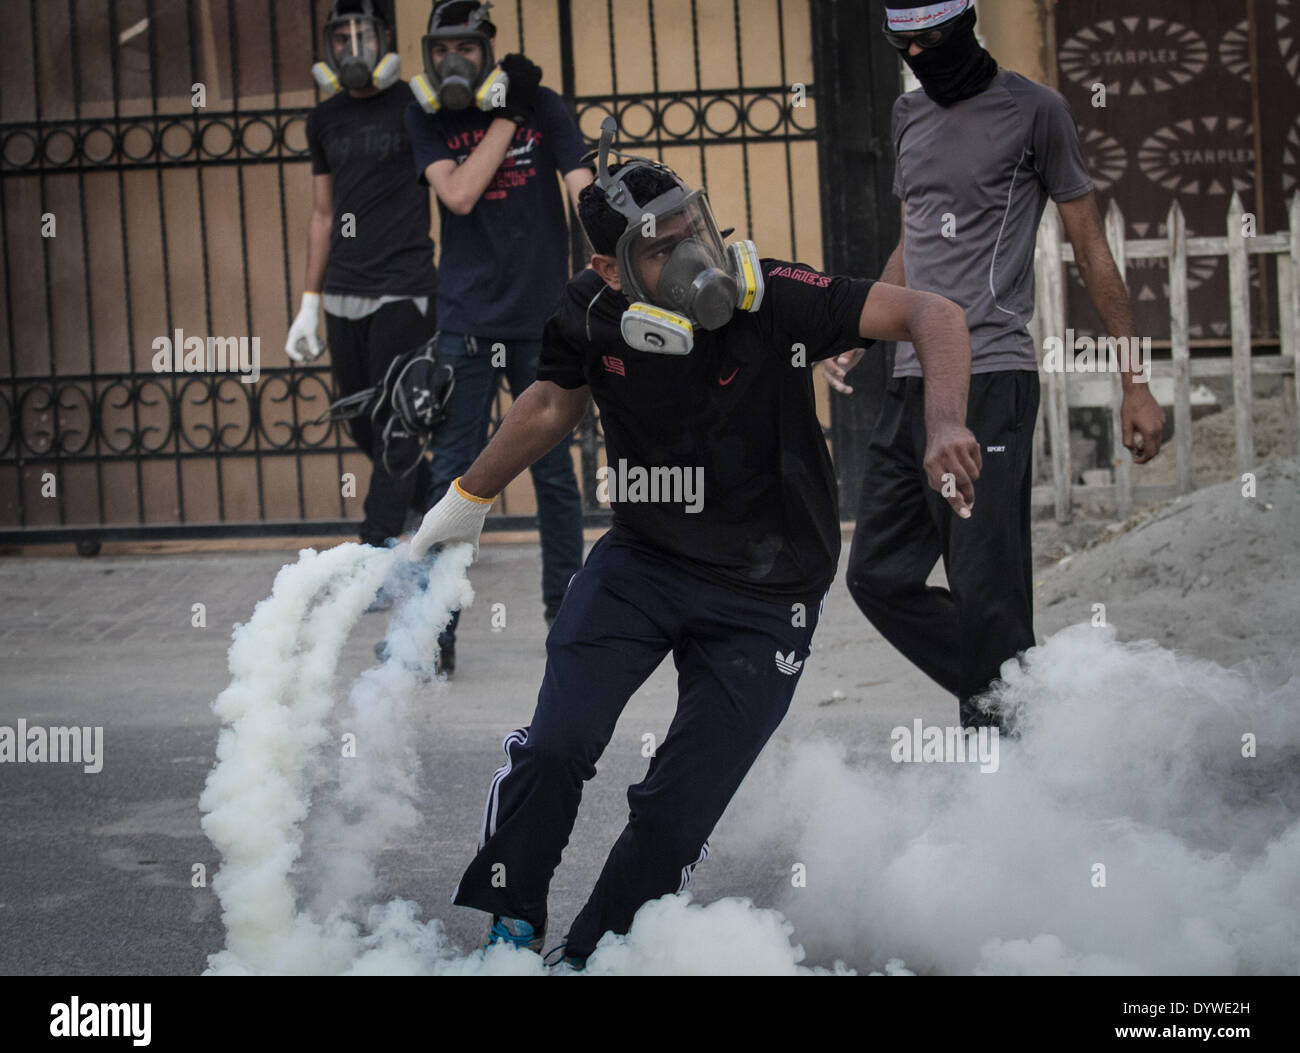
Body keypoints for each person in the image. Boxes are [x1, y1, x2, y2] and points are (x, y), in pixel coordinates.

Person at [406, 120, 981, 966]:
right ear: (610, 269)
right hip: (643, 562)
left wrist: (946, 422)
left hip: (768, 594)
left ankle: (592, 956)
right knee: (556, 746)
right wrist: (467, 497)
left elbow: (935, 313)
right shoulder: (588, 310)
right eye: (660, 249)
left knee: (675, 813)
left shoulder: (771, 297)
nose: (692, 258)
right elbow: (553, 404)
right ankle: (512, 921)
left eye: (693, 232)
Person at [825, 0, 1167, 729]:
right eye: (903, 47)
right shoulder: (908, 115)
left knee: (988, 592)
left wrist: (1135, 382)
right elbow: (913, 242)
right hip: (913, 380)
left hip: (991, 378)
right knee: (877, 575)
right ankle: (1031, 704)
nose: (918, 58)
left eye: (930, 41)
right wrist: (862, 327)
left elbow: (1091, 250)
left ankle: (1006, 754)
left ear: (966, 25)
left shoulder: (1036, 111)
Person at [402, 0, 588, 675]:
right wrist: (509, 114)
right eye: (441, 49)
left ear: (486, 50)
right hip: (468, 323)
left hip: (543, 322)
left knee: (555, 477)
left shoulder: (545, 105)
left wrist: (616, 243)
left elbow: (583, 190)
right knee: (454, 476)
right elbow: (457, 194)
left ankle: (568, 620)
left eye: (466, 48)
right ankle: (435, 633)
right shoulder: (427, 114)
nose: (452, 60)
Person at [288, 0, 438, 549]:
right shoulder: (323, 119)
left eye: (363, 35)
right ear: (328, 47)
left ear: (385, 39)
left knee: (397, 421)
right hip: (342, 294)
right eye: (341, 38)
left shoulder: (415, 107)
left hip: (404, 290)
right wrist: (309, 302)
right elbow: (323, 213)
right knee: (360, 422)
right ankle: (437, 505)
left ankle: (375, 547)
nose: (352, 48)